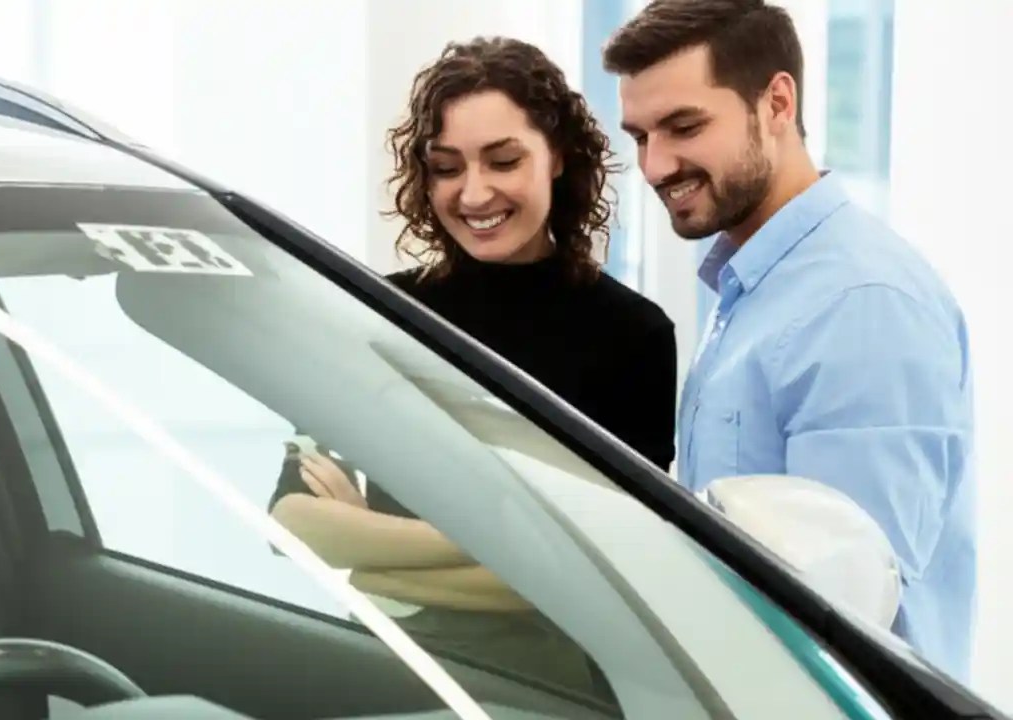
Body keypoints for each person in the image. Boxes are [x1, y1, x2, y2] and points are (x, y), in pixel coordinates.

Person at [266, 36, 676, 705]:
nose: (473, 192)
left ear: (560, 159)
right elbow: (293, 520)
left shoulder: (632, 336)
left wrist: (375, 563)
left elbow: (601, 579)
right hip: (379, 668)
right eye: (447, 166)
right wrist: (520, 547)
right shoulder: (372, 312)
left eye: (503, 160)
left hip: (547, 690)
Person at [603, 0, 976, 681]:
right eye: (639, 136)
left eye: (684, 126)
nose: (654, 166)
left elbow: (844, 620)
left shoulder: (859, 305)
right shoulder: (758, 288)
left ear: (776, 103)